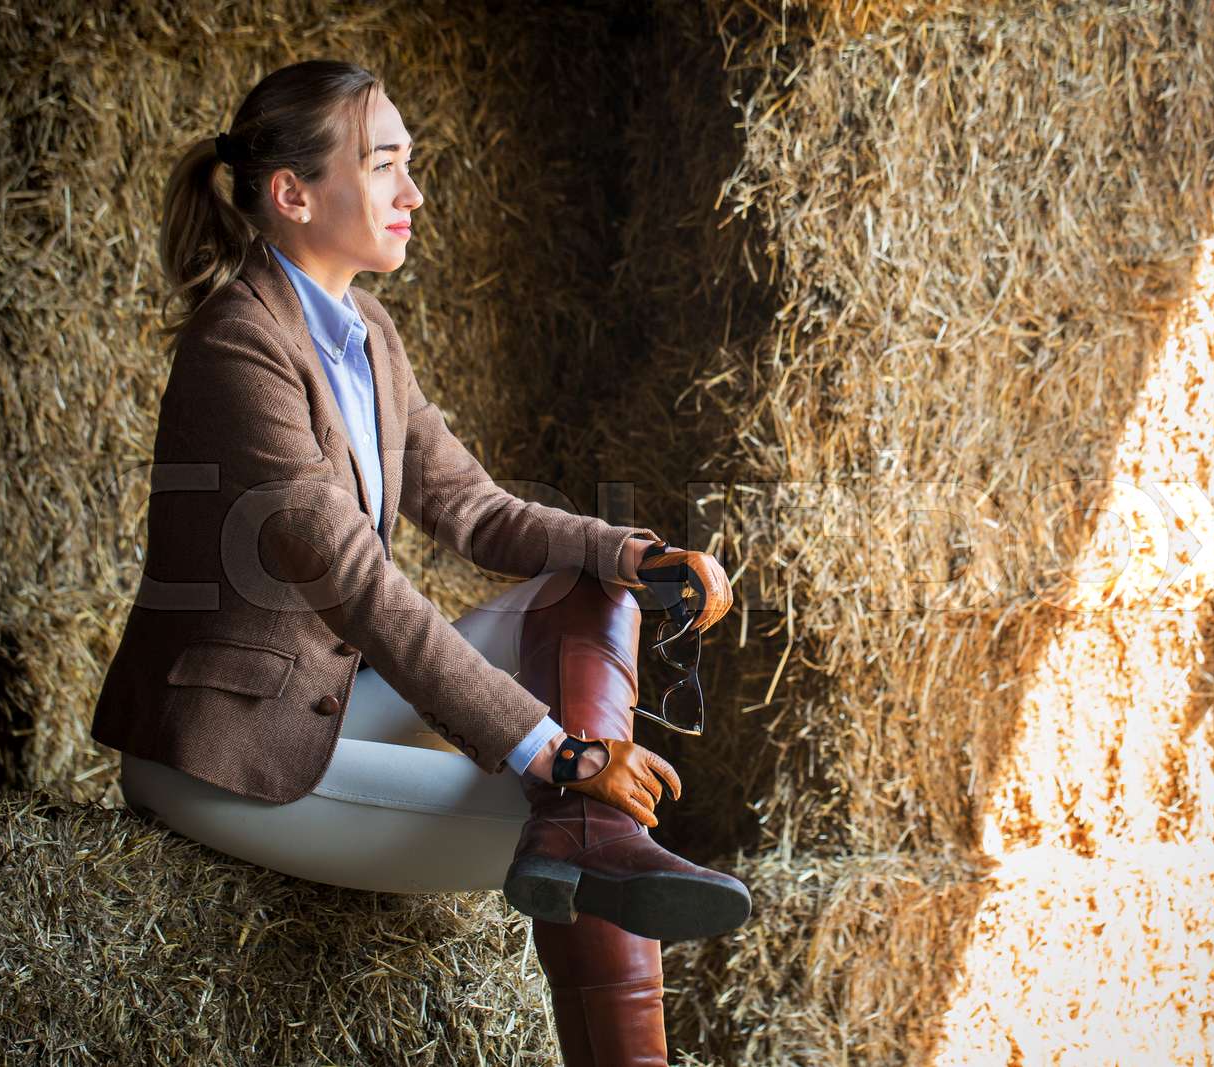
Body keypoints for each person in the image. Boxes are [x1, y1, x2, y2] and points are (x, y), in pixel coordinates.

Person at [89, 58, 747, 1065]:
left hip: (329, 694)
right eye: (387, 165)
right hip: (229, 749)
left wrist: (632, 553)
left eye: (412, 164)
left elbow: (472, 509)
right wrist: (552, 752)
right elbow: (356, 583)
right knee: (568, 819)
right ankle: (585, 839)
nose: (415, 192)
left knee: (583, 588)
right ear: (293, 194)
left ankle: (587, 832)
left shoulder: (366, 333)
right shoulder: (238, 350)